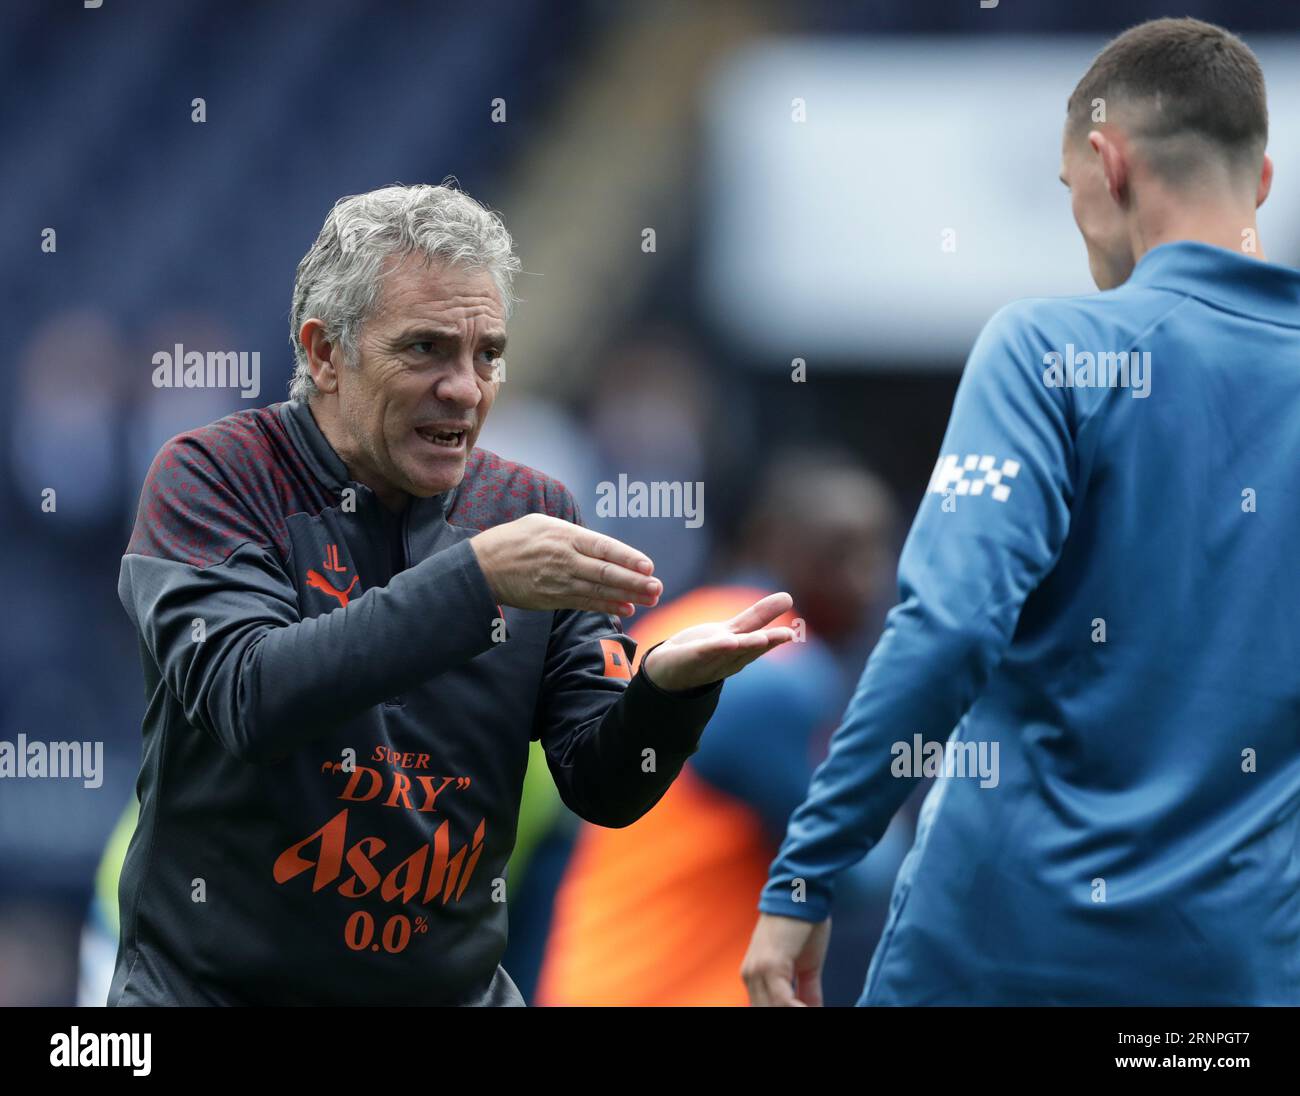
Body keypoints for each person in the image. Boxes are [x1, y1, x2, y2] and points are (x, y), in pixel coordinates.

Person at [111, 182, 793, 1006]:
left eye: (488, 354)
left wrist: (667, 693)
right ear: (325, 353)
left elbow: (603, 787)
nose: (466, 389)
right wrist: (479, 582)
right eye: (426, 349)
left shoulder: (530, 512)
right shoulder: (217, 476)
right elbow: (249, 696)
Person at [744, 17, 1300, 1006]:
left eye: (1064, 188)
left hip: (994, 958)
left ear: (1105, 161)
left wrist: (806, 871)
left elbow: (950, 624)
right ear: (1258, 181)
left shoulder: (1046, 350)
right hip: (1235, 977)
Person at [536, 454, 899, 1005]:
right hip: (675, 990)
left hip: (591, 977)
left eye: (875, 554)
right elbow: (855, 869)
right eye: (840, 554)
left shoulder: (681, 624)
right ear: (772, 542)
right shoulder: (780, 673)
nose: (866, 581)